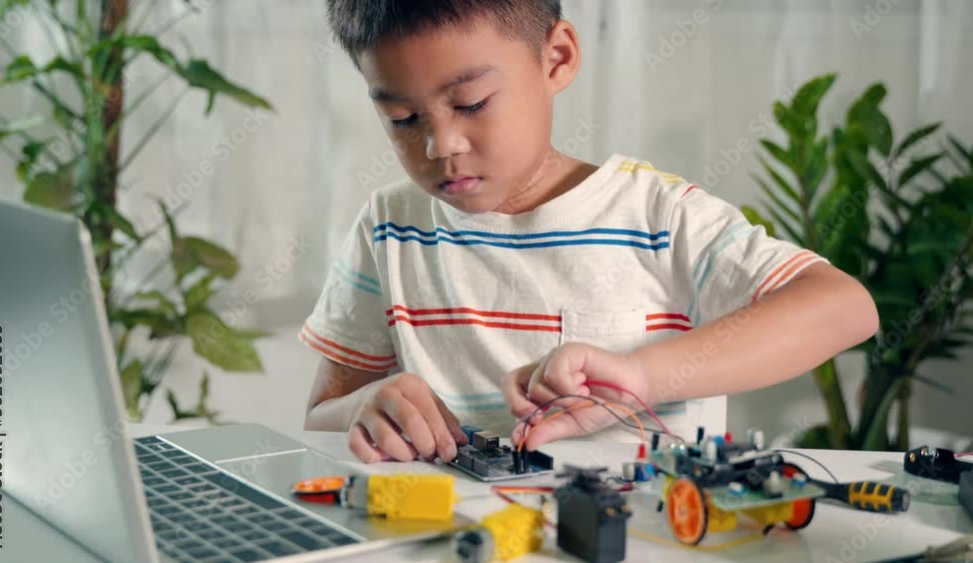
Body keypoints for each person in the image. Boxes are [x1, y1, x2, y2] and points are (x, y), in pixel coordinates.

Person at [301, 0, 879, 463]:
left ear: (556, 58)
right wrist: (360, 409)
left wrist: (643, 376)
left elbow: (845, 308)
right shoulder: (388, 227)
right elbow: (322, 411)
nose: (439, 145)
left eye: (472, 103)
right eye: (403, 119)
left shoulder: (658, 216)